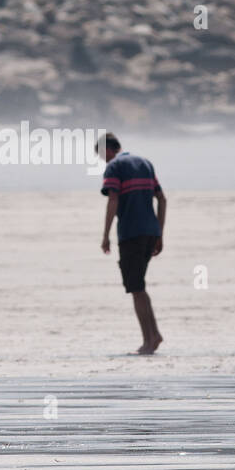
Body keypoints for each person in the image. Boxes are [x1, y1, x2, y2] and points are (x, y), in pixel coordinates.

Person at [99, 132, 166, 354]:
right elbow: (162, 199)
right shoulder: (145, 163)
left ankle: (150, 340)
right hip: (150, 233)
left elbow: (113, 199)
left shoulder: (114, 167)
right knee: (139, 286)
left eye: (101, 156)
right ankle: (153, 335)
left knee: (136, 288)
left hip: (131, 234)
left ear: (107, 150)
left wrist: (105, 235)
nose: (103, 161)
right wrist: (159, 233)